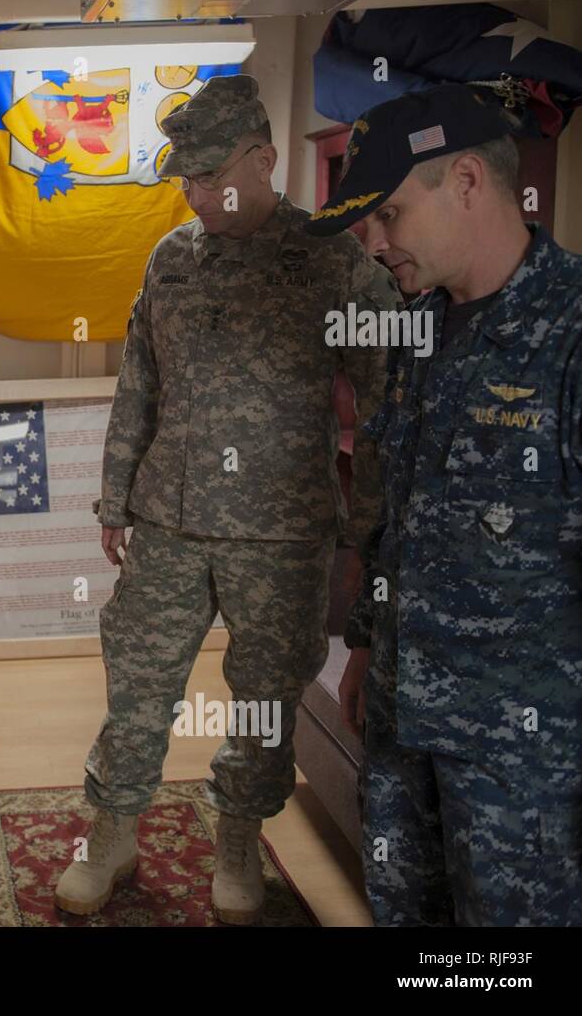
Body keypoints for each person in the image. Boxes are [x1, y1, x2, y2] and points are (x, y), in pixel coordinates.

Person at [55, 74, 402, 921]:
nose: (197, 193)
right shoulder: (170, 259)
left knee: (263, 696)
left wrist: (372, 534)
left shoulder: (331, 260)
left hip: (280, 537)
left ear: (264, 158)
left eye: (212, 175)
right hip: (168, 523)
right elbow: (138, 384)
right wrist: (113, 500)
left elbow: (391, 394)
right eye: (187, 178)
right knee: (136, 685)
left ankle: (239, 840)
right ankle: (114, 833)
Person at [309, 82, 582, 927]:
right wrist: (361, 648)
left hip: (521, 765)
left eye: (388, 213)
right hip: (402, 731)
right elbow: (391, 516)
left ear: (467, 181)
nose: (372, 238)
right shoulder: (419, 333)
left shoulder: (568, 335)